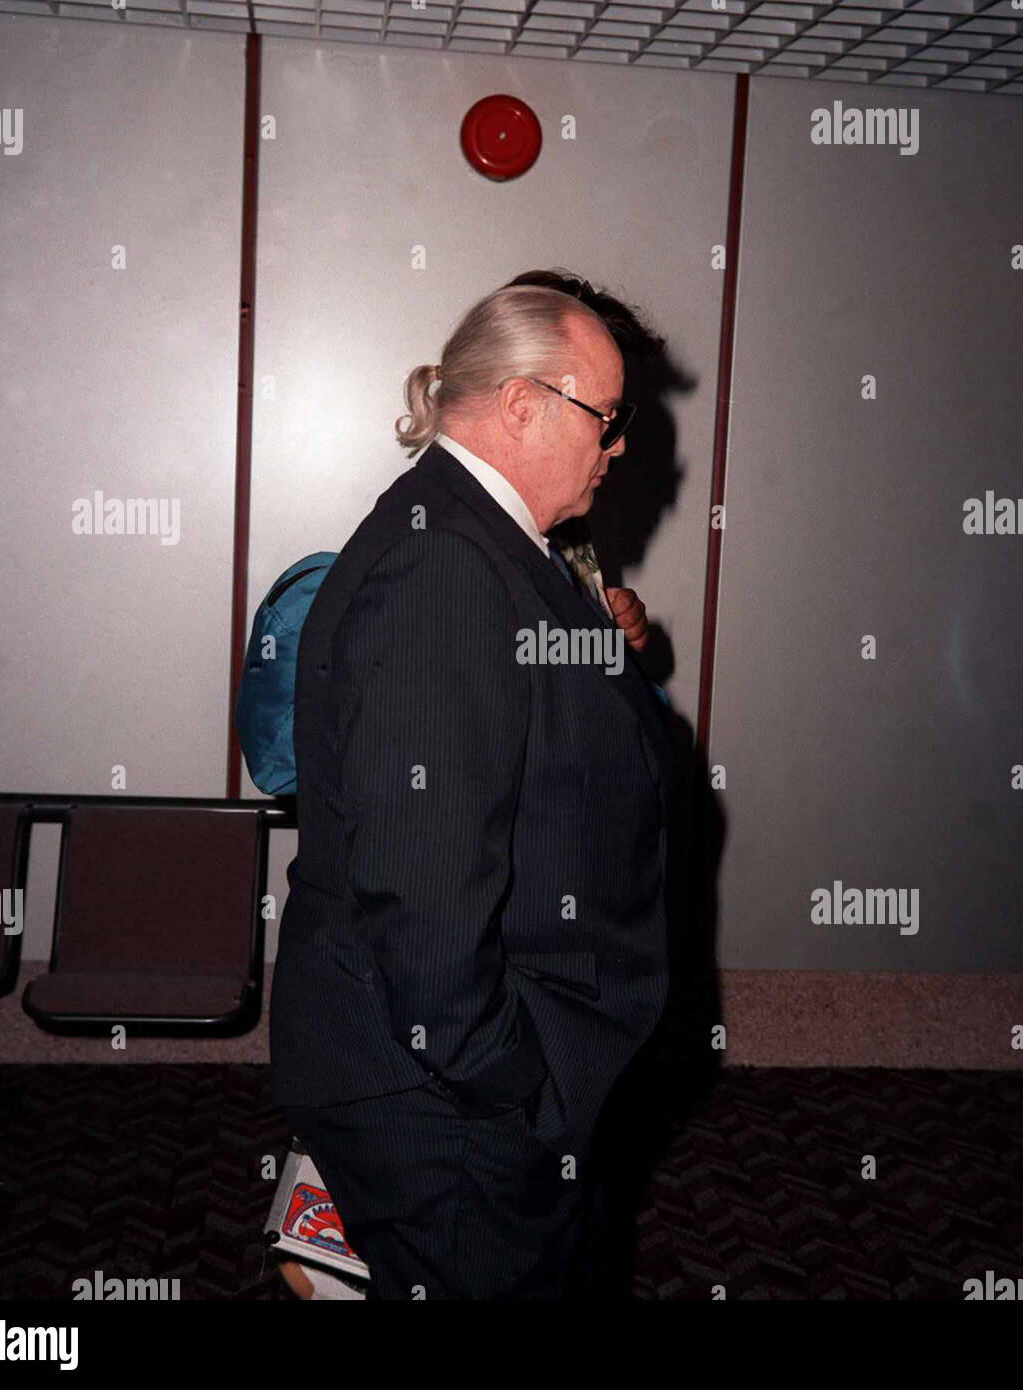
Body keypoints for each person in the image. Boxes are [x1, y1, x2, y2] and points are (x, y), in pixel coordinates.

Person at [270, 277, 669, 1299]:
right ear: (524, 405)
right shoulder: (443, 566)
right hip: (446, 1096)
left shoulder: (475, 538)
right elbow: (425, 893)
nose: (617, 446)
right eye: (606, 416)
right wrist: (512, 1083)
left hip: (452, 1076)